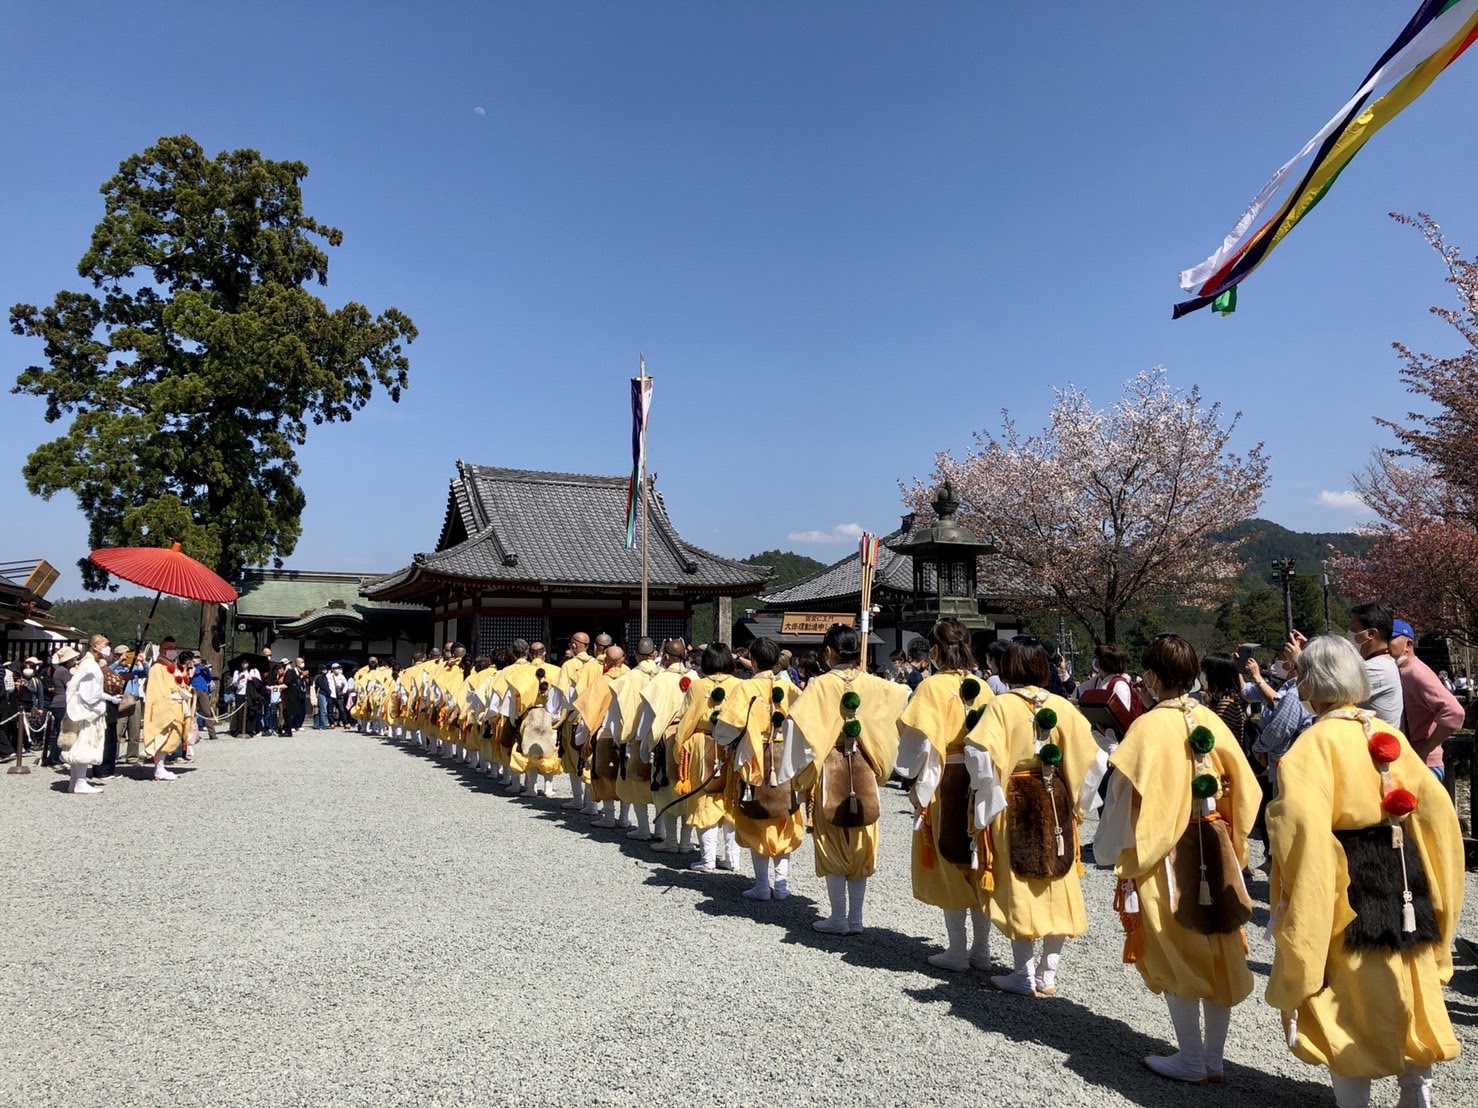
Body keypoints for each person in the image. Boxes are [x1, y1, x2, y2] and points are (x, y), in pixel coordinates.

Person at [1266, 635, 1464, 1108]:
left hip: (1347, 882)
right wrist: (1438, 886)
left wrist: (1298, 903)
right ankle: (1417, 1097)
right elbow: (1438, 816)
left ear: (1310, 684)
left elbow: (1301, 835)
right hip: (1405, 877)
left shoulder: (1312, 746)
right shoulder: (1385, 734)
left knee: (1348, 997)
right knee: (1411, 986)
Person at [1096, 634, 1260, 1085]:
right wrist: (1234, 838)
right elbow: (1248, 789)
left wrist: (1115, 849)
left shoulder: (1149, 726)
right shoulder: (1209, 718)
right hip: (1215, 841)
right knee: (1220, 944)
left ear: (1149, 677)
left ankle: (1190, 1058)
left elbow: (1122, 795)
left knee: (1176, 947)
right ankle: (1214, 1058)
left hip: (1166, 848)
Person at [967, 637, 1105, 995]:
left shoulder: (1002, 707)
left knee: (1020, 881)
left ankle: (1023, 973)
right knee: (1057, 879)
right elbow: (1095, 759)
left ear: (1010, 666)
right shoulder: (1062, 705)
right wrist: (1079, 802)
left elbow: (980, 754)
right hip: (1055, 796)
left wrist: (988, 797)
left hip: (1014, 797)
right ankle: (1048, 973)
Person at [779, 623, 909, 935]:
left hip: (830, 765)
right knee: (863, 834)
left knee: (831, 835)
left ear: (829, 651)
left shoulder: (821, 685)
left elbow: (795, 725)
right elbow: (903, 697)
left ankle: (839, 916)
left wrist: (795, 770)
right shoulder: (875, 684)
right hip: (864, 761)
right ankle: (856, 918)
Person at [893, 619, 996, 970]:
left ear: (935, 651)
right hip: (980, 778)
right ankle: (981, 950)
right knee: (979, 858)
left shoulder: (931, 686)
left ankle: (957, 950)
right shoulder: (981, 686)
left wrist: (910, 775)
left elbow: (918, 742)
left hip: (946, 776)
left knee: (950, 858)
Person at [714, 636, 805, 899]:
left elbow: (728, 726)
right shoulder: (790, 688)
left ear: (752, 661)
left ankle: (763, 885)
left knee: (758, 814)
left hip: (755, 755)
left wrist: (724, 741)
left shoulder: (745, 689)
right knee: (785, 815)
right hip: (786, 755)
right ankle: (782, 884)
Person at [672, 642, 742, 872]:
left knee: (704, 798)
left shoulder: (697, 686)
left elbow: (686, 719)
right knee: (731, 799)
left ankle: (708, 859)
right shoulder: (739, 685)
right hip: (733, 745)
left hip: (702, 744)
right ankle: (732, 859)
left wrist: (678, 746)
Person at [1389, 618, 1465, 783]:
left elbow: (1454, 712)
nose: (1385, 646)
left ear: (1408, 644)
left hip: (1424, 765)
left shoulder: (1416, 672)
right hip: (1412, 761)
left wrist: (1428, 745)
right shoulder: (1403, 671)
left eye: (1390, 639)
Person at [638, 638, 694, 851]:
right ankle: (686, 842)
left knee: (666, 786)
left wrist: (644, 743)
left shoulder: (659, 681)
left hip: (666, 736)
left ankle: (671, 841)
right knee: (688, 785)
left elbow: (648, 715)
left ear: (667, 657)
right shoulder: (695, 676)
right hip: (690, 736)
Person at [608, 637, 660, 832]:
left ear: (636, 655)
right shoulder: (664, 675)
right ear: (654, 653)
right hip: (661, 736)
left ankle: (644, 828)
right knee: (659, 782)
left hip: (634, 737)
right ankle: (661, 829)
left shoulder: (625, 680)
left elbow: (615, 714)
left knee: (637, 782)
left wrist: (617, 738)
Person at [57, 634, 119, 793]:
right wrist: (103, 702)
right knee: (84, 744)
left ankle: (75, 780)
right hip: (87, 711)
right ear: (95, 646)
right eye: (105, 644)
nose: (108, 648)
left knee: (79, 745)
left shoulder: (87, 664)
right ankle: (80, 781)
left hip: (83, 709)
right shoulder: (90, 666)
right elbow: (90, 694)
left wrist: (109, 697)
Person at [1346, 602, 1404, 728]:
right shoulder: (1385, 663)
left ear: (1371, 634)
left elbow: (1325, 698)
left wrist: (1301, 662)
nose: (1350, 636)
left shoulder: (1374, 669)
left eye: (1354, 630)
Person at [142, 638, 190, 780]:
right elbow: (156, 690)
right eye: (169, 647)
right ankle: (159, 768)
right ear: (162, 650)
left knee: (173, 737)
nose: (172, 650)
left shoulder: (173, 666)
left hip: (177, 704)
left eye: (174, 647)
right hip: (166, 706)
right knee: (161, 736)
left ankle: (162, 766)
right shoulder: (157, 667)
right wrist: (167, 704)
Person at [42, 645, 78, 767]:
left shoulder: (59, 670)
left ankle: (55, 757)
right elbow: (71, 684)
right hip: (62, 703)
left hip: (59, 702)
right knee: (60, 731)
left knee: (59, 730)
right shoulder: (63, 671)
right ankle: (55, 758)